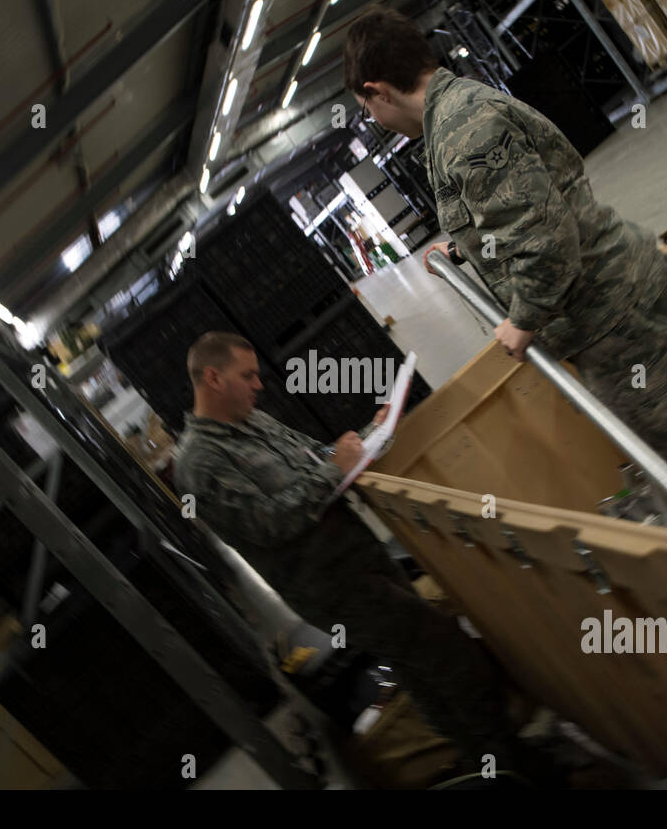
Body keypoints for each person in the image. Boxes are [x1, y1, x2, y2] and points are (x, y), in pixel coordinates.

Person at [342, 6, 667, 554]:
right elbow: (520, 211)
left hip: (611, 313)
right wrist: (465, 246)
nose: (374, 120)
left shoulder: (464, 133)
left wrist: (524, 320)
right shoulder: (455, 117)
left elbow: (546, 242)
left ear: (378, 91)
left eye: (366, 109)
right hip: (603, 313)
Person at [172, 331, 569, 784]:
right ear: (213, 377)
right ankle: (512, 761)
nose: (258, 385)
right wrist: (332, 468)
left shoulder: (251, 421)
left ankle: (487, 763)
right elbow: (268, 524)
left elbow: (315, 459)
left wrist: (370, 435)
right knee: (447, 650)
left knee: (420, 668)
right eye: (247, 376)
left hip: (359, 556)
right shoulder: (199, 463)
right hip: (332, 587)